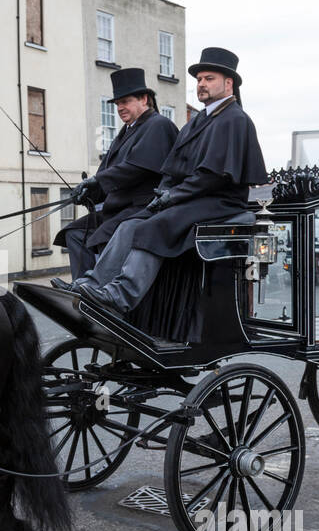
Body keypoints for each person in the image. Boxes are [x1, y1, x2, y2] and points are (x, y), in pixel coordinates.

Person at [72, 47, 268, 325]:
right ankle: (93, 284)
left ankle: (122, 295)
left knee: (154, 227)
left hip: (219, 201)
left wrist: (172, 197)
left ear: (229, 83)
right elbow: (173, 169)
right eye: (199, 79)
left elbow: (211, 176)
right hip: (192, 199)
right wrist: (163, 193)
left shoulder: (234, 119)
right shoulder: (199, 121)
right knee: (129, 223)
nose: (201, 84)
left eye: (209, 78)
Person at [52, 68, 177, 282]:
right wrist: (90, 192)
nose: (120, 108)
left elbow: (135, 168)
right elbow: (108, 174)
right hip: (117, 209)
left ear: (144, 99)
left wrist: (97, 181)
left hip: (142, 207)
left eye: (125, 102)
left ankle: (99, 291)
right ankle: (81, 288)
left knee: (103, 234)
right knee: (74, 233)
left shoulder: (158, 125)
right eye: (117, 104)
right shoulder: (127, 131)